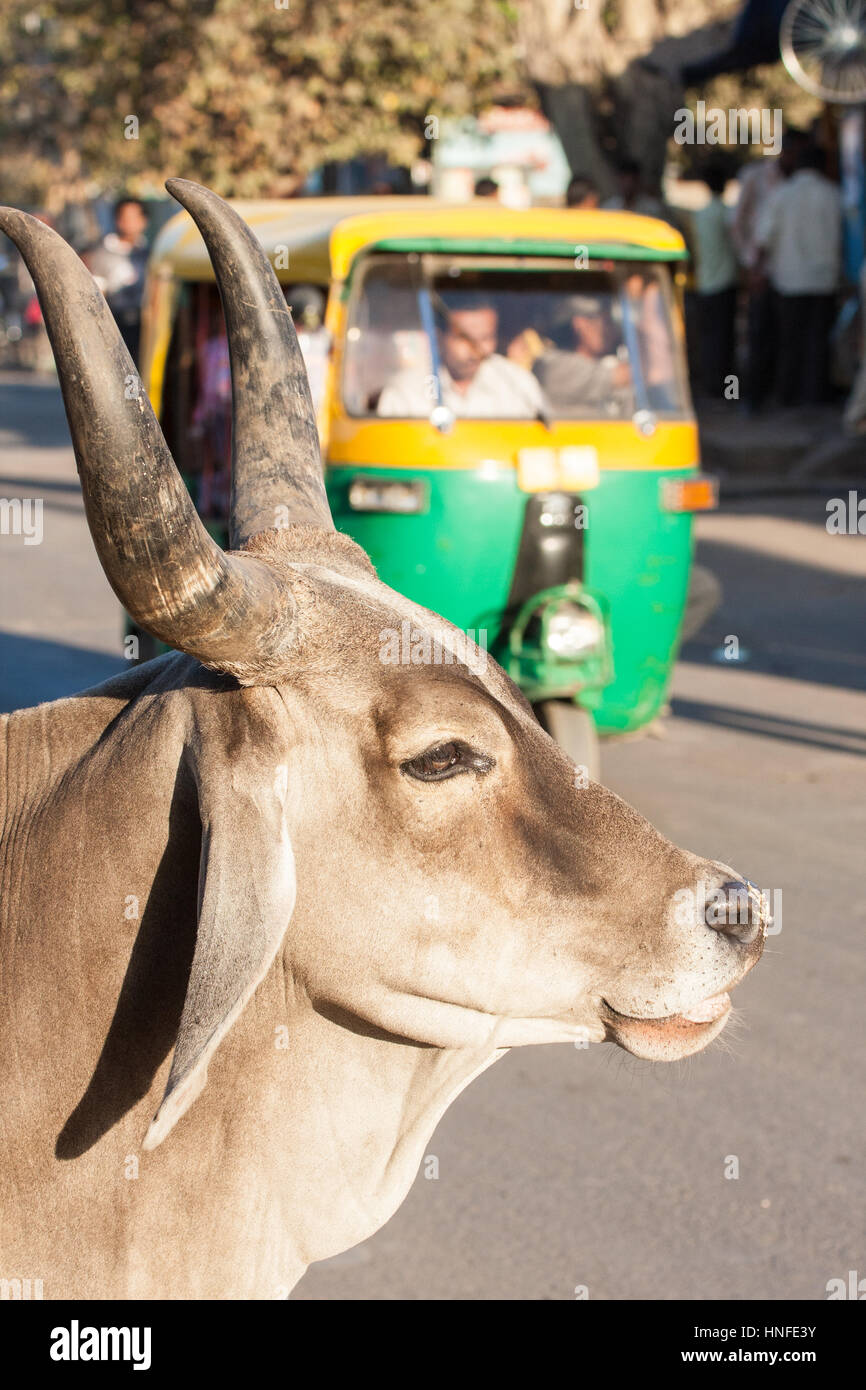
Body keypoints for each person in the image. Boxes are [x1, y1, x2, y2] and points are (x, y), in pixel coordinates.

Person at [755, 141, 841, 405]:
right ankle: (815, 396)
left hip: (789, 281)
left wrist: (757, 271)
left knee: (790, 342)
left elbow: (763, 238)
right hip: (825, 280)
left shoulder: (781, 194)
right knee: (819, 341)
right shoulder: (834, 194)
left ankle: (787, 396)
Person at [377, 294, 548, 419]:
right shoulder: (407, 391)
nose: (477, 350)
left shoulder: (518, 384)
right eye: (464, 339)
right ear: (439, 338)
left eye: (486, 338)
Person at [531, 294, 632, 415]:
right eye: (604, 321)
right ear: (580, 323)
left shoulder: (607, 361)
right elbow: (625, 375)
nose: (609, 329)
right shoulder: (552, 366)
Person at [691, 161, 738, 401]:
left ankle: (712, 386)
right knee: (723, 341)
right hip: (724, 284)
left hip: (705, 283)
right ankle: (725, 391)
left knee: (709, 339)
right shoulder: (726, 213)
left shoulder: (700, 216)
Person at [84, 197, 149, 362]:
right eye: (125, 218)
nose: (129, 223)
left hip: (144, 326)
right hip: (114, 325)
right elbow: (98, 294)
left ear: (144, 221)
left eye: (134, 218)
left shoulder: (148, 254)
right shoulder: (102, 253)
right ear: (117, 220)